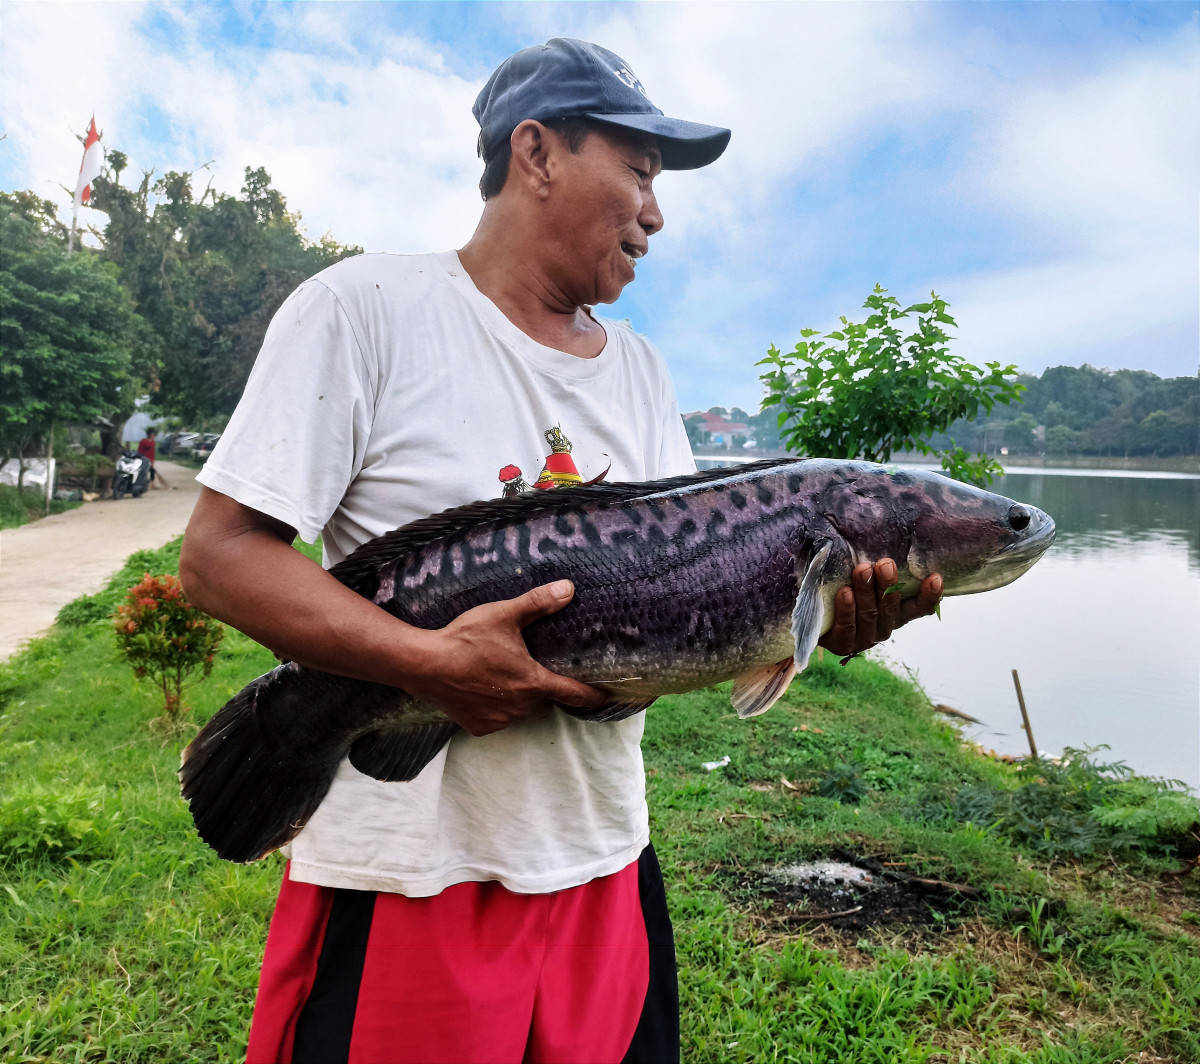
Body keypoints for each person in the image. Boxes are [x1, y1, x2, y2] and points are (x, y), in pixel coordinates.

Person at [180, 37, 942, 1064]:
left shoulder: (641, 372)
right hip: (409, 880)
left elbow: (689, 613)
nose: (657, 213)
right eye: (638, 171)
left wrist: (819, 629)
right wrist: (429, 665)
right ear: (535, 153)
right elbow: (219, 555)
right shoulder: (363, 311)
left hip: (601, 863)